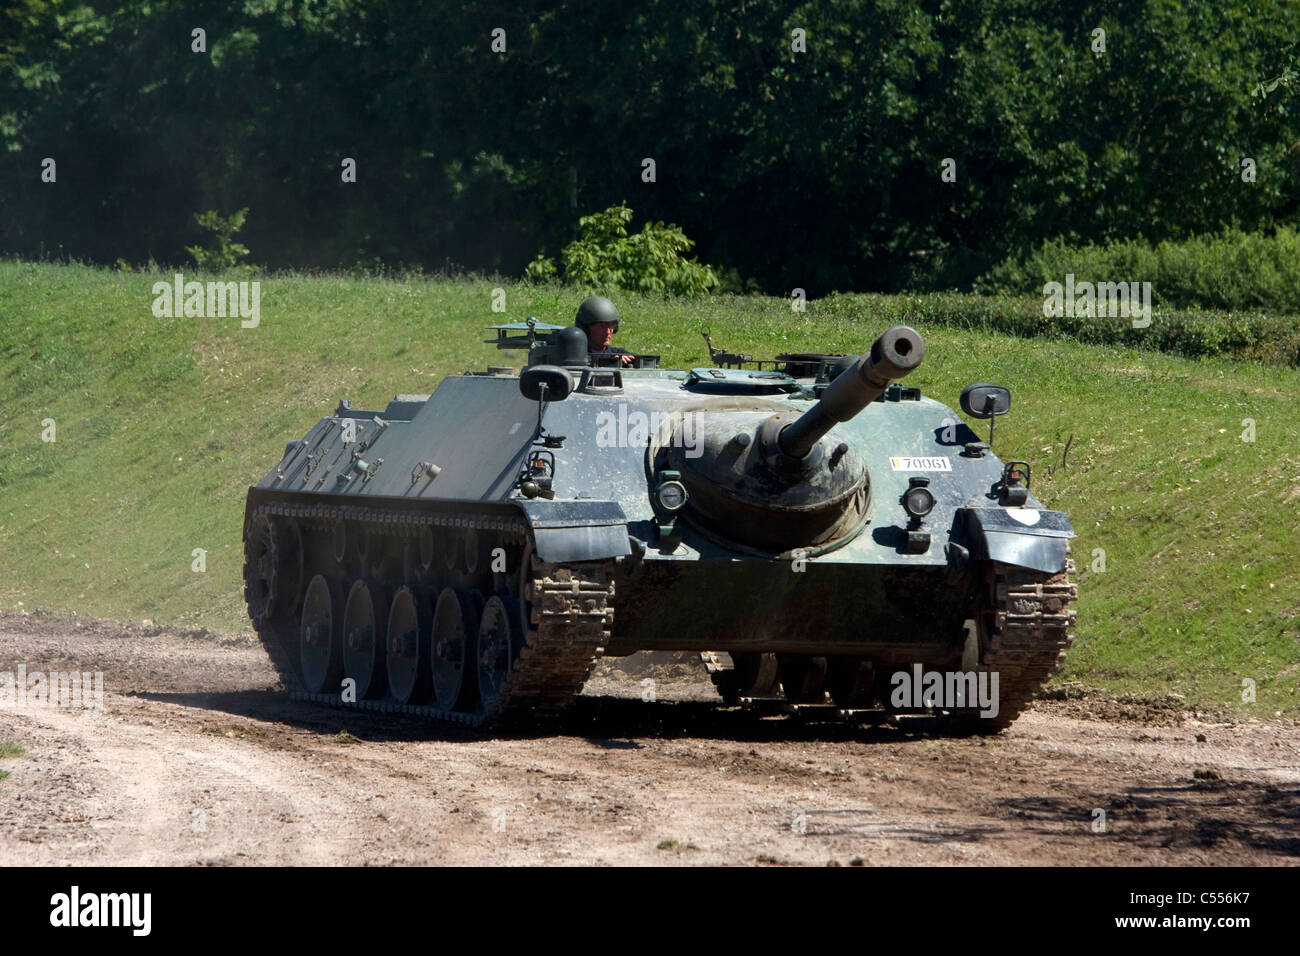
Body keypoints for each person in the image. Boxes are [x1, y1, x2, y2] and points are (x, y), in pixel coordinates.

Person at [574, 295, 635, 366]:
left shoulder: (617, 353)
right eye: (602, 326)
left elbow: (645, 362)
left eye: (611, 326)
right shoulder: (576, 355)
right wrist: (611, 362)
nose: (608, 332)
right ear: (586, 328)